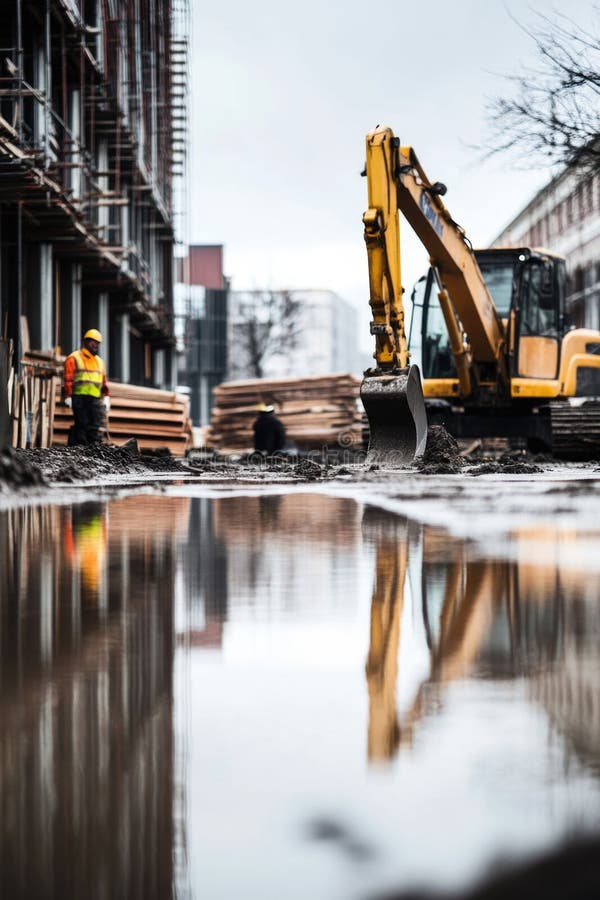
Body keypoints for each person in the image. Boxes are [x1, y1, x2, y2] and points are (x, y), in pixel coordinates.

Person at [63, 328, 110, 445]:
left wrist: (106, 397)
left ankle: (92, 450)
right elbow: (68, 378)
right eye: (93, 342)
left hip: (95, 399)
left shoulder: (100, 362)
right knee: (82, 424)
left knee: (95, 426)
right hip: (79, 398)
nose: (96, 345)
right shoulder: (74, 358)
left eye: (97, 343)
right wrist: (68, 395)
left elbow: (103, 382)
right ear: (85, 342)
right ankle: (79, 450)